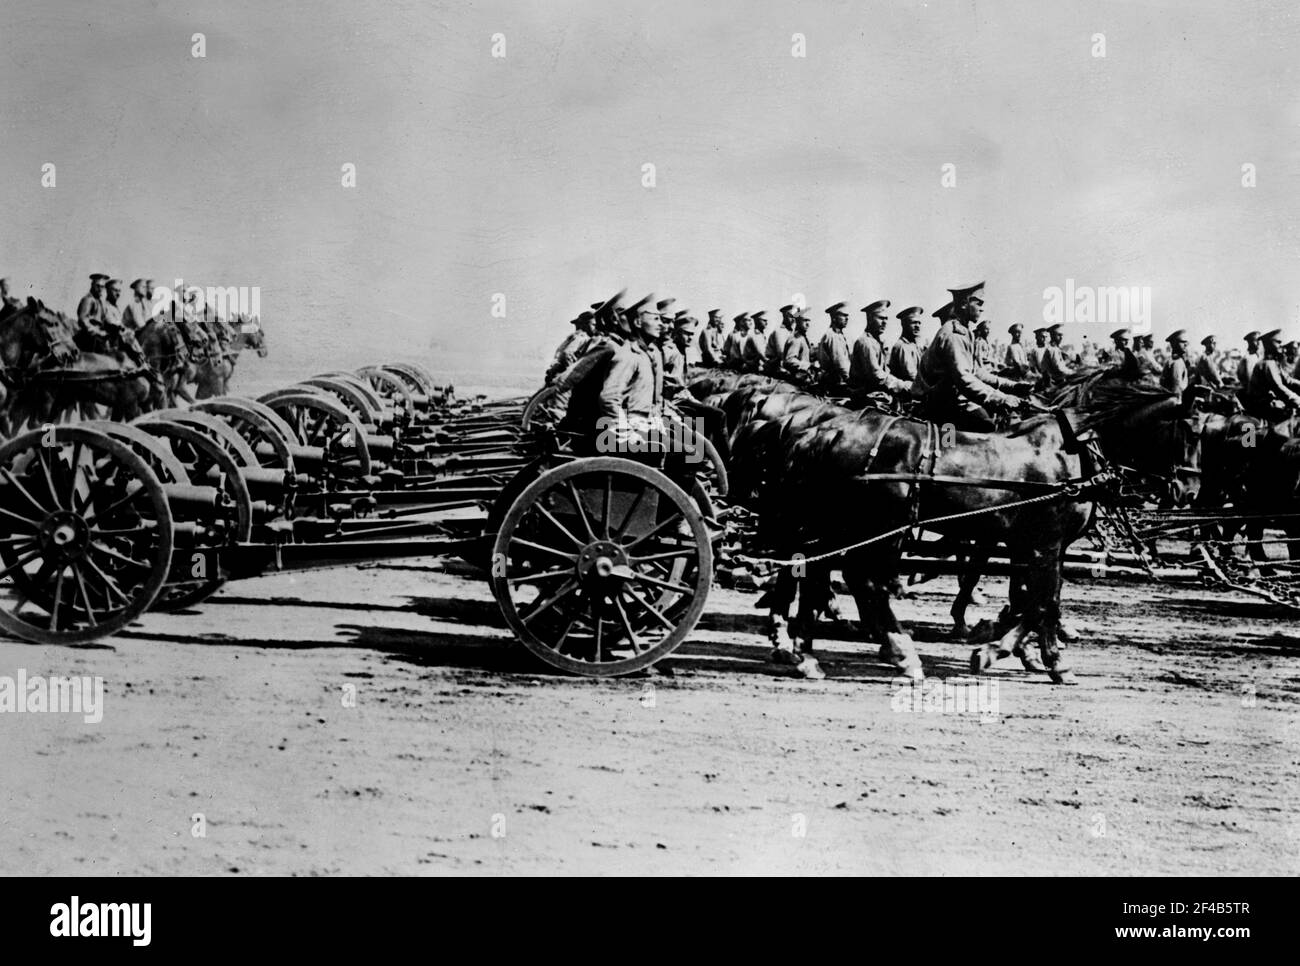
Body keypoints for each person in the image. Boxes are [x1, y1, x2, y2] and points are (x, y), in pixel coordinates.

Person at [909, 282, 1030, 431]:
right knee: (986, 428)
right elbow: (964, 378)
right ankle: (948, 450)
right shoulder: (954, 335)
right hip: (941, 409)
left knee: (995, 421)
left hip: (950, 401)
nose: (982, 307)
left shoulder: (965, 333)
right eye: (978, 303)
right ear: (963, 304)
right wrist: (1000, 398)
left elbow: (977, 372)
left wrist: (1012, 386)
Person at [849, 299, 910, 402]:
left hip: (874, 393)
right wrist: (902, 385)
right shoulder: (865, 342)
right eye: (881, 318)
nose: (884, 322)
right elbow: (876, 375)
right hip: (864, 396)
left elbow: (885, 371)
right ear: (869, 318)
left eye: (886, 319)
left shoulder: (876, 341)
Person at [1244, 329, 1300, 422]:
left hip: (1267, 402)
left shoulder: (1273, 363)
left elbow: (1288, 380)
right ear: (1269, 345)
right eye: (1278, 342)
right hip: (1260, 406)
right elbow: (1279, 387)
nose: (1281, 346)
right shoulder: (1267, 364)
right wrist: (1298, 401)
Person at [545, 311, 595, 384]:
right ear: (585, 324)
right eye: (593, 324)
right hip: (562, 373)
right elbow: (567, 353)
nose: (595, 327)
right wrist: (572, 371)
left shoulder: (574, 337)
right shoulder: (582, 337)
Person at [816, 302, 851, 393]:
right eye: (843, 316)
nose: (847, 318)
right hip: (834, 385)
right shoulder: (832, 336)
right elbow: (841, 363)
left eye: (847, 316)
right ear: (834, 318)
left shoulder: (839, 335)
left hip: (837, 382)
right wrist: (853, 382)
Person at [889, 306, 924, 382]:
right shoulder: (902, 346)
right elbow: (911, 375)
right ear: (904, 324)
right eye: (913, 322)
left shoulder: (914, 345)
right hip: (908, 391)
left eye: (919, 323)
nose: (917, 326)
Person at [782, 310, 813, 380]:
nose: (808, 324)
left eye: (808, 321)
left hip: (803, 377)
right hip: (796, 379)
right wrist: (809, 366)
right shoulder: (796, 338)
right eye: (805, 320)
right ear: (798, 322)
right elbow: (790, 360)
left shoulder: (802, 337)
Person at [766, 304, 795, 375]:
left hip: (785, 364)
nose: (793, 319)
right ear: (784, 315)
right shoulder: (779, 331)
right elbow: (782, 353)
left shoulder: (791, 331)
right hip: (776, 367)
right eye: (791, 316)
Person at [1160, 330, 1190, 397]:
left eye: (1186, 342)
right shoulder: (1177, 362)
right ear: (1174, 344)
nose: (1185, 344)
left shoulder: (1175, 360)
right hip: (1175, 400)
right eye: (1182, 342)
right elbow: (1176, 389)